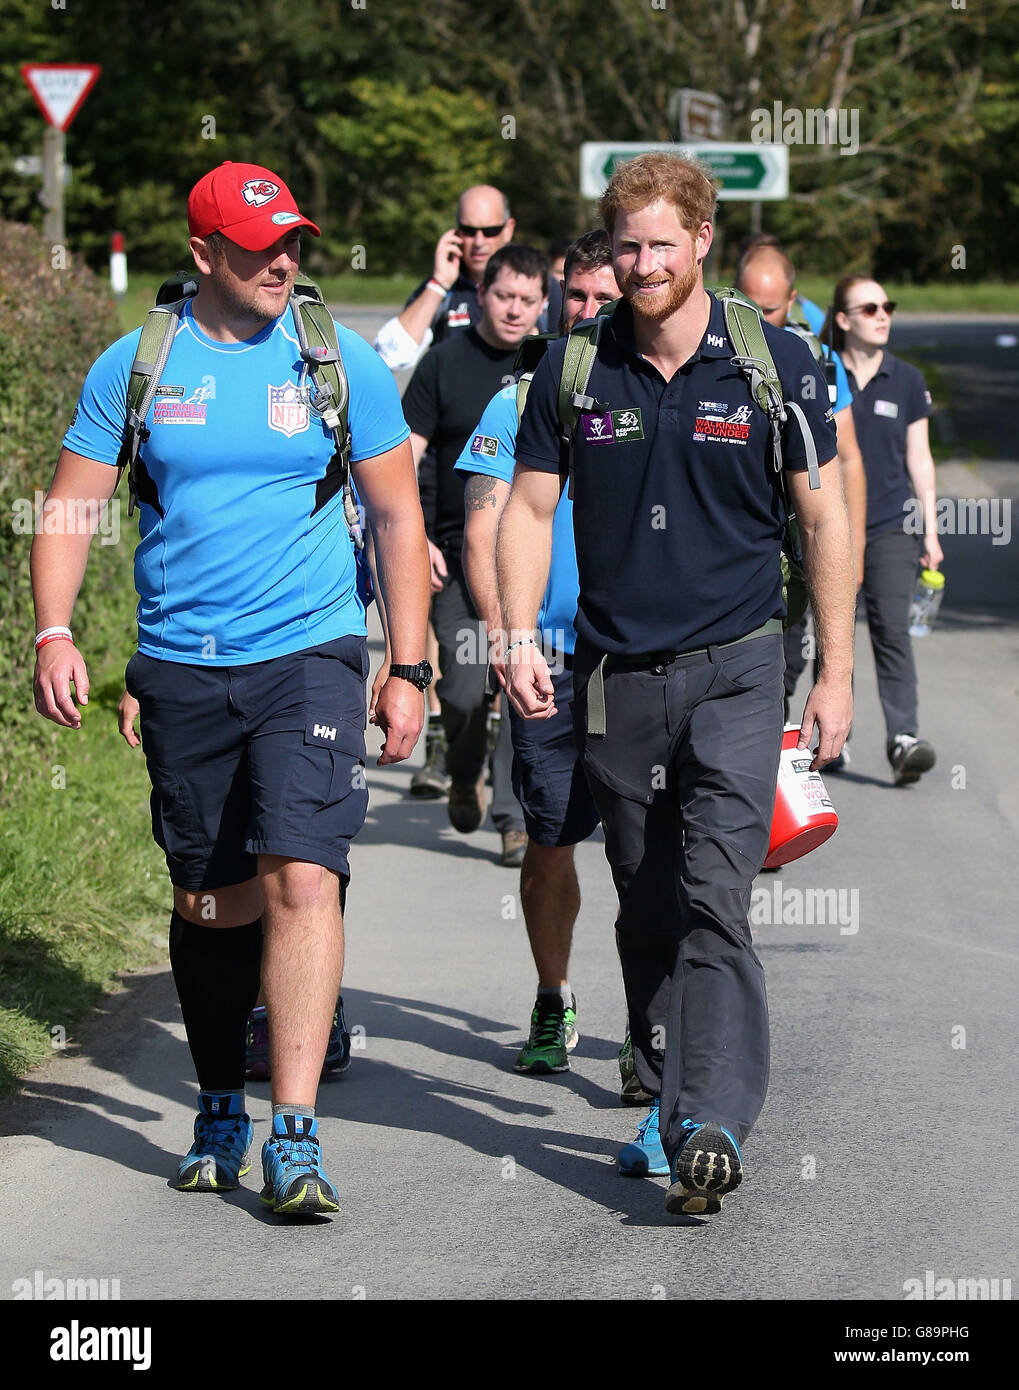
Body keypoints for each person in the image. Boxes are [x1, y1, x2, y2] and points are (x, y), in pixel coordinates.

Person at [32, 161, 431, 1216]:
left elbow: (396, 516)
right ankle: (219, 1105)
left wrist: (409, 662)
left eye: (292, 240)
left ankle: (292, 1135)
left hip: (310, 653)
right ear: (204, 254)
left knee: (304, 874)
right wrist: (55, 632)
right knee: (213, 902)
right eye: (260, 246)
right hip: (180, 664)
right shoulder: (138, 366)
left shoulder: (338, 362)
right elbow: (71, 506)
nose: (283, 260)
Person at [497, 153, 853, 1215]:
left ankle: (710, 1121)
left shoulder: (773, 362)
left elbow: (823, 516)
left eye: (661, 242)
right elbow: (523, 511)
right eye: (625, 244)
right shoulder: (573, 367)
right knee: (645, 900)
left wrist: (832, 671)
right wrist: (517, 637)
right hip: (613, 675)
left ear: (702, 242)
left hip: (741, 663)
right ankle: (662, 1097)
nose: (642, 263)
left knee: (713, 893)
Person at [456, 230, 637, 1080]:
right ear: (557, 296)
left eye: (606, 299)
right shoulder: (519, 398)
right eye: (577, 297)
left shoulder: (653, 395)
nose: (589, 312)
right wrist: (505, 636)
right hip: (548, 659)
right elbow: (485, 524)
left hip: (640, 660)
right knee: (550, 840)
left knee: (647, 849)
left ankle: (651, 1021)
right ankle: (553, 994)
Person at [401, 244, 548, 867]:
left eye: (528, 299)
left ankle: (514, 821)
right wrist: (418, 539)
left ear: (545, 303)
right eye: (503, 295)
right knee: (462, 693)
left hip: (532, 558)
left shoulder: (553, 367)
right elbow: (403, 460)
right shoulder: (443, 363)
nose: (514, 310)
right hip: (458, 557)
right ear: (481, 295)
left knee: (523, 689)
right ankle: (465, 772)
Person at [734, 246, 867, 755]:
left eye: (770, 308)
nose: (760, 318)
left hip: (799, 546)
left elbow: (849, 458)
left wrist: (852, 551)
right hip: (741, 545)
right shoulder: (713, 353)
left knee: (783, 670)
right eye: (749, 303)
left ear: (792, 300)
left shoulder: (818, 362)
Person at [827, 274, 941, 784]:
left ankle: (903, 738)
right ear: (843, 320)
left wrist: (931, 531)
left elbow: (920, 459)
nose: (882, 315)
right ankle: (832, 736)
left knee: (892, 629)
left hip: (893, 525)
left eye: (887, 306)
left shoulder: (909, 380)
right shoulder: (824, 375)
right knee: (833, 631)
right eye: (869, 308)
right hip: (833, 523)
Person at [373, 186, 517, 372]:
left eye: (489, 231)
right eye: (468, 231)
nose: (479, 242)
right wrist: (439, 284)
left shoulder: (539, 285)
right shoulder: (442, 288)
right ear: (456, 232)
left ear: (508, 229)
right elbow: (389, 357)